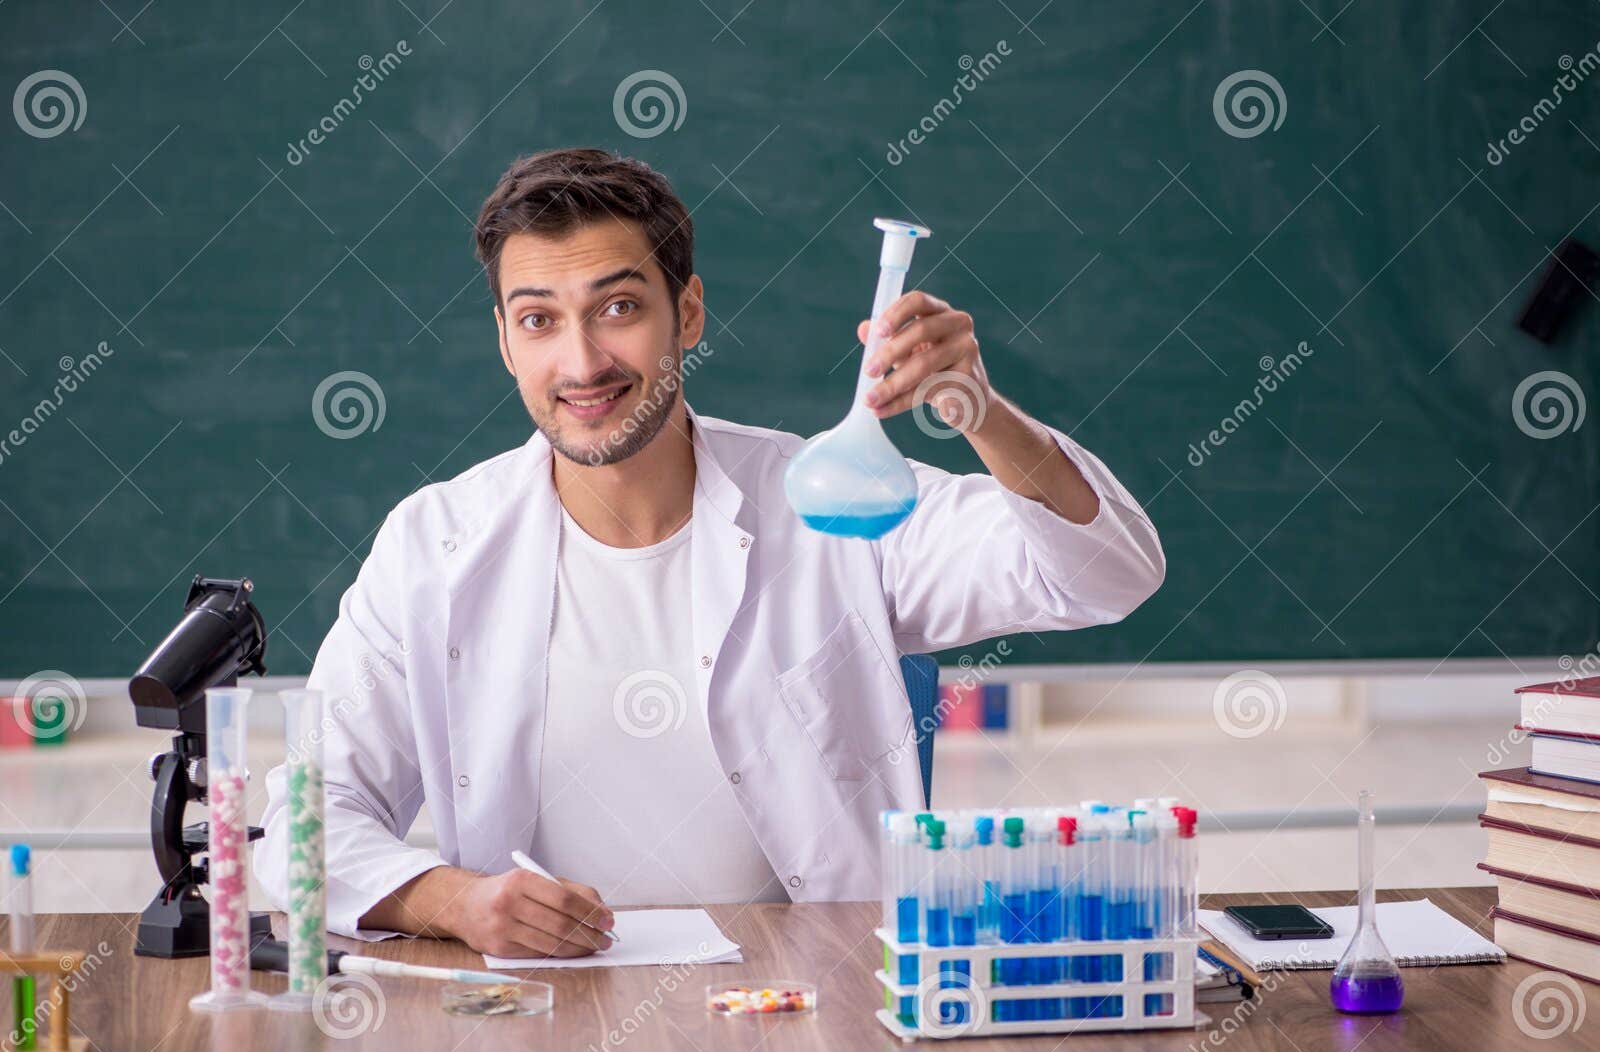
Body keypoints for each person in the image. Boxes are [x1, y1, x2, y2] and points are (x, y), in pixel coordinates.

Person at [255, 147, 1165, 959]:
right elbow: (300, 826)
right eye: (538, 320)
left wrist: (982, 413)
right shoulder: (433, 546)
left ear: (687, 313)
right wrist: (454, 902)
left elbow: (1107, 574)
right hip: (540, 1025)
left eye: (618, 307)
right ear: (504, 340)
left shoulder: (829, 506)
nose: (582, 362)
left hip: (818, 1020)